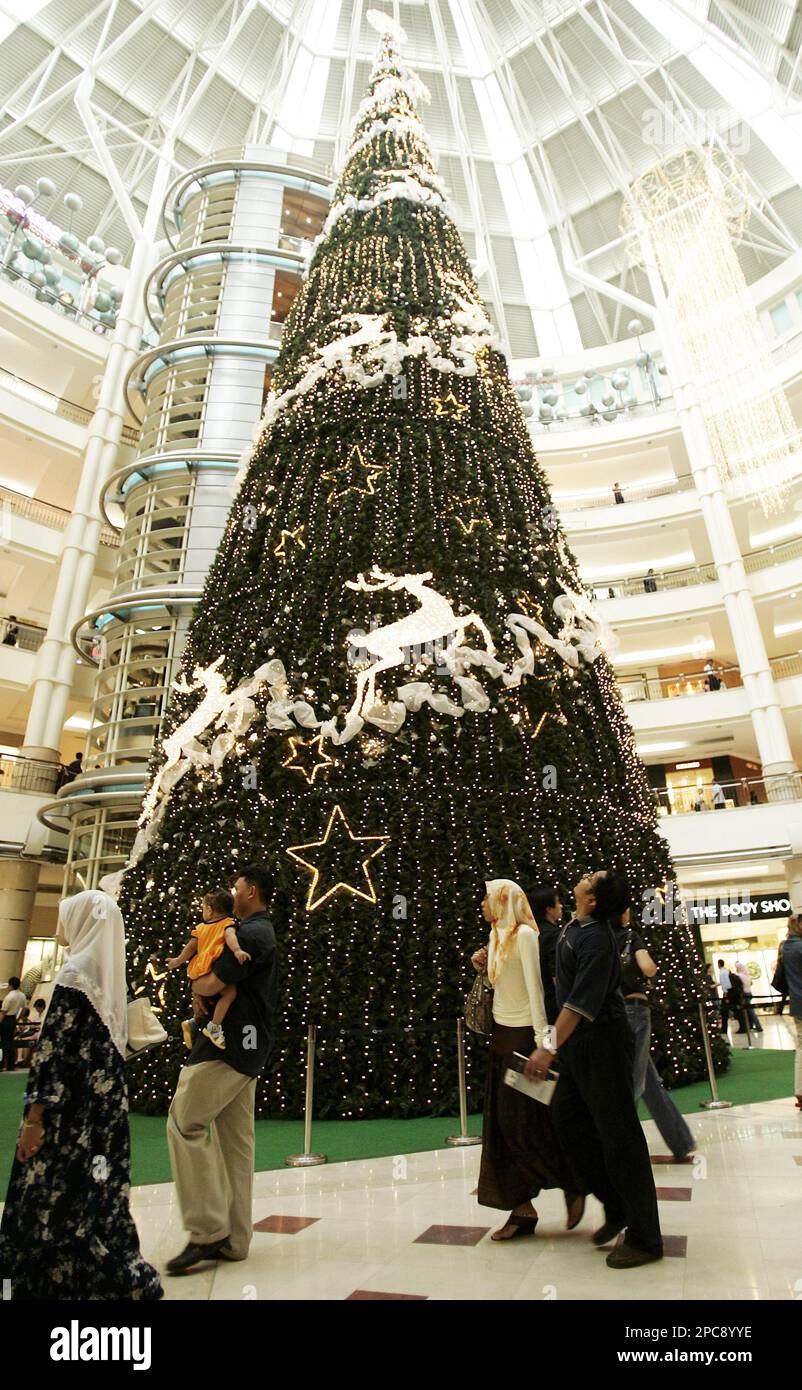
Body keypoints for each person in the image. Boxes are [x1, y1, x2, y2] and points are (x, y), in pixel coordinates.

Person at [0, 890, 162, 1299]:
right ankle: (110, 1270)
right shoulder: (108, 979)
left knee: (55, 1192)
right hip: (102, 1113)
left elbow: (52, 1057)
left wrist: (34, 1120)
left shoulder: (74, 977)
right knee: (99, 1186)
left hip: (66, 1115)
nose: (61, 925)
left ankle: (56, 1278)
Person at [525, 869, 663, 1269]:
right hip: (579, 1045)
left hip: (602, 1042)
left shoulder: (597, 940)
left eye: (594, 878)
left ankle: (646, 1237)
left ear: (594, 900)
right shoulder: (576, 925)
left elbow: (578, 1006)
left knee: (619, 1135)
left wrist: (546, 1048)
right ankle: (616, 1206)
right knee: (568, 1122)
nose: (587, 875)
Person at [166, 864, 278, 1274]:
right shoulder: (254, 931)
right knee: (236, 1142)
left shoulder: (251, 933)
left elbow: (211, 984)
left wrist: (195, 985)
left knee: (184, 1122)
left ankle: (207, 1230)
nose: (233, 890)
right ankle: (233, 1237)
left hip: (227, 1046)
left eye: (238, 886)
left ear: (251, 891)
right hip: (247, 1047)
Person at [472, 879, 585, 1240]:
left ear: (504, 901)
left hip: (524, 1038)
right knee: (503, 1127)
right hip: (501, 1038)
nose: (483, 904)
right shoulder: (496, 938)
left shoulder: (524, 936)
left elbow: (539, 994)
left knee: (528, 1123)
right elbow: (501, 987)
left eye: (488, 899)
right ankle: (521, 1209)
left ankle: (573, 1180)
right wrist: (482, 965)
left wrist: (544, 1045)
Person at [615, 908, 695, 1160]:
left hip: (613, 1013)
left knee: (648, 1082)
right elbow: (648, 968)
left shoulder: (598, 936)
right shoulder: (629, 937)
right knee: (635, 1082)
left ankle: (681, 1142)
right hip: (636, 1010)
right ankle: (626, 1150)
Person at [166, 888, 248, 1051]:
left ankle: (195, 1022)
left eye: (203, 907)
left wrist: (177, 961)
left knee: (210, 999)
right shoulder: (227, 924)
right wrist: (237, 950)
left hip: (199, 970)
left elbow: (190, 948)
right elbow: (230, 937)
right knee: (230, 994)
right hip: (210, 970)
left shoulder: (201, 928)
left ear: (209, 910)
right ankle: (214, 1026)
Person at [529, 883, 563, 1025]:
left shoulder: (531, 931)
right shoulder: (553, 935)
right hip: (552, 1003)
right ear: (548, 909)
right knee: (554, 1044)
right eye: (558, 902)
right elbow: (556, 974)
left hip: (534, 1001)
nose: (561, 906)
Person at [781, 916, 802, 1109]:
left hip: (797, 1004)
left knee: (801, 1049)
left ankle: (800, 1091)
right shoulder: (800, 947)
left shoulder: (785, 948)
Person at [0, 977, 26, 1072]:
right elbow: (23, 1009)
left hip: (6, 1020)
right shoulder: (22, 996)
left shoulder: (9, 996)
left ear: (10, 985)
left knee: (3, 1042)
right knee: (11, 1042)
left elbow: (3, 1012)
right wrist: (17, 1020)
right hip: (14, 1019)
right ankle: (10, 1065)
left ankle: (2, 1064)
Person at [734, 960, 763, 1034]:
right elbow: (751, 983)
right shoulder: (747, 975)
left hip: (744, 994)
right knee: (749, 1010)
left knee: (750, 1011)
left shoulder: (739, 976)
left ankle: (758, 1026)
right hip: (749, 993)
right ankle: (751, 1025)